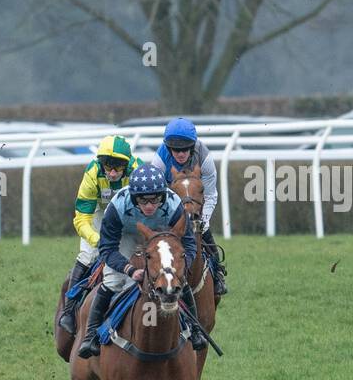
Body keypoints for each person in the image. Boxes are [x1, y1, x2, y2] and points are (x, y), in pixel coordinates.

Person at [77, 163, 207, 359]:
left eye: (155, 199)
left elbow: (188, 244)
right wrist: (129, 270)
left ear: (163, 196)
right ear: (133, 197)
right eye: (142, 200)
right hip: (126, 234)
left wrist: (181, 267)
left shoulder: (174, 205)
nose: (149, 206)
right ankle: (90, 336)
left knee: (178, 281)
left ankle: (195, 330)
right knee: (113, 281)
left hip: (162, 233)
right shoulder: (117, 206)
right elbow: (107, 248)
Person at [57, 135, 138, 334]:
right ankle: (68, 312)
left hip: (131, 215)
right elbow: (81, 219)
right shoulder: (93, 172)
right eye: (107, 166)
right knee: (88, 255)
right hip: (100, 213)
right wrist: (98, 240)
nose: (112, 173)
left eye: (117, 167)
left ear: (127, 165)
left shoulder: (137, 171)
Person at [154, 116, 227, 295]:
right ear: (168, 148)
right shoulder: (159, 161)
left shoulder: (205, 157)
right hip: (171, 204)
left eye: (185, 149)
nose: (181, 154)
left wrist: (204, 221)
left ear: (192, 146)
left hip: (196, 206)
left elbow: (210, 195)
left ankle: (218, 274)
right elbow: (156, 197)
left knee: (206, 237)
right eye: (176, 150)